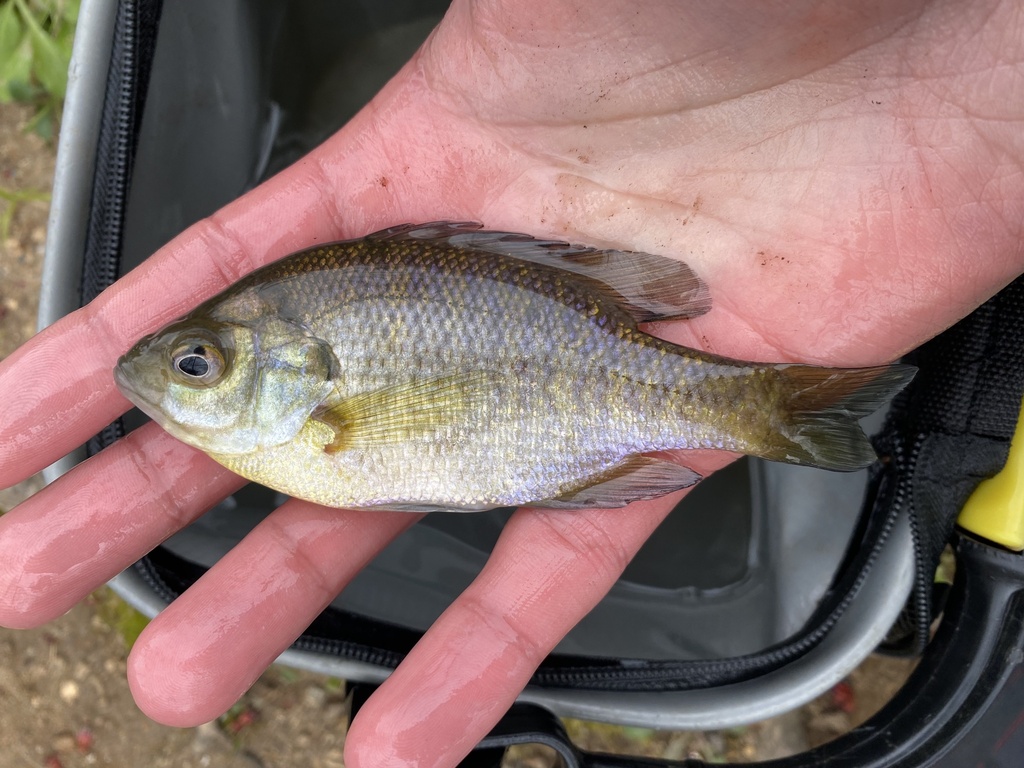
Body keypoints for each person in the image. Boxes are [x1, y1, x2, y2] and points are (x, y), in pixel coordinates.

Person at [0, 0, 1022, 765]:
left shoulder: (316, 414)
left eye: (199, 362)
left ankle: (786, 414)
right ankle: (801, 416)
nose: (178, 376)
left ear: (295, 372)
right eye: (196, 359)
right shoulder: (308, 397)